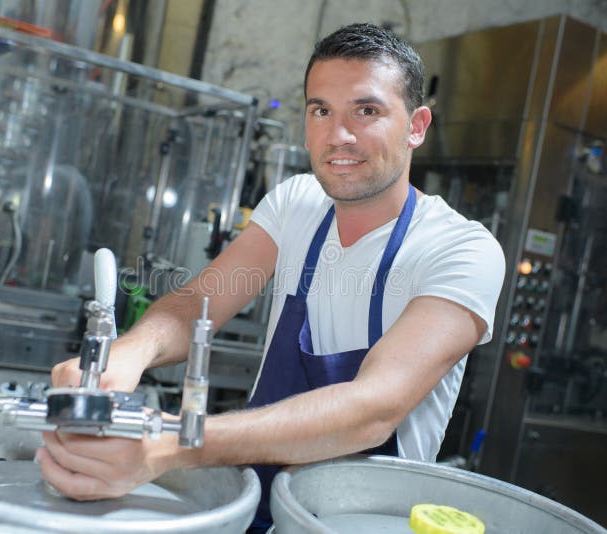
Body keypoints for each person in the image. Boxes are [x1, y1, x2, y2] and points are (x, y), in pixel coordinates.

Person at [39, 22, 505, 530]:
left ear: (416, 126)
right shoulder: (296, 204)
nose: (339, 135)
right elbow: (199, 302)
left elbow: (373, 409)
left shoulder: (463, 251)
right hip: (258, 513)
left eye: (366, 111)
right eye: (320, 110)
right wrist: (132, 352)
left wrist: (176, 443)